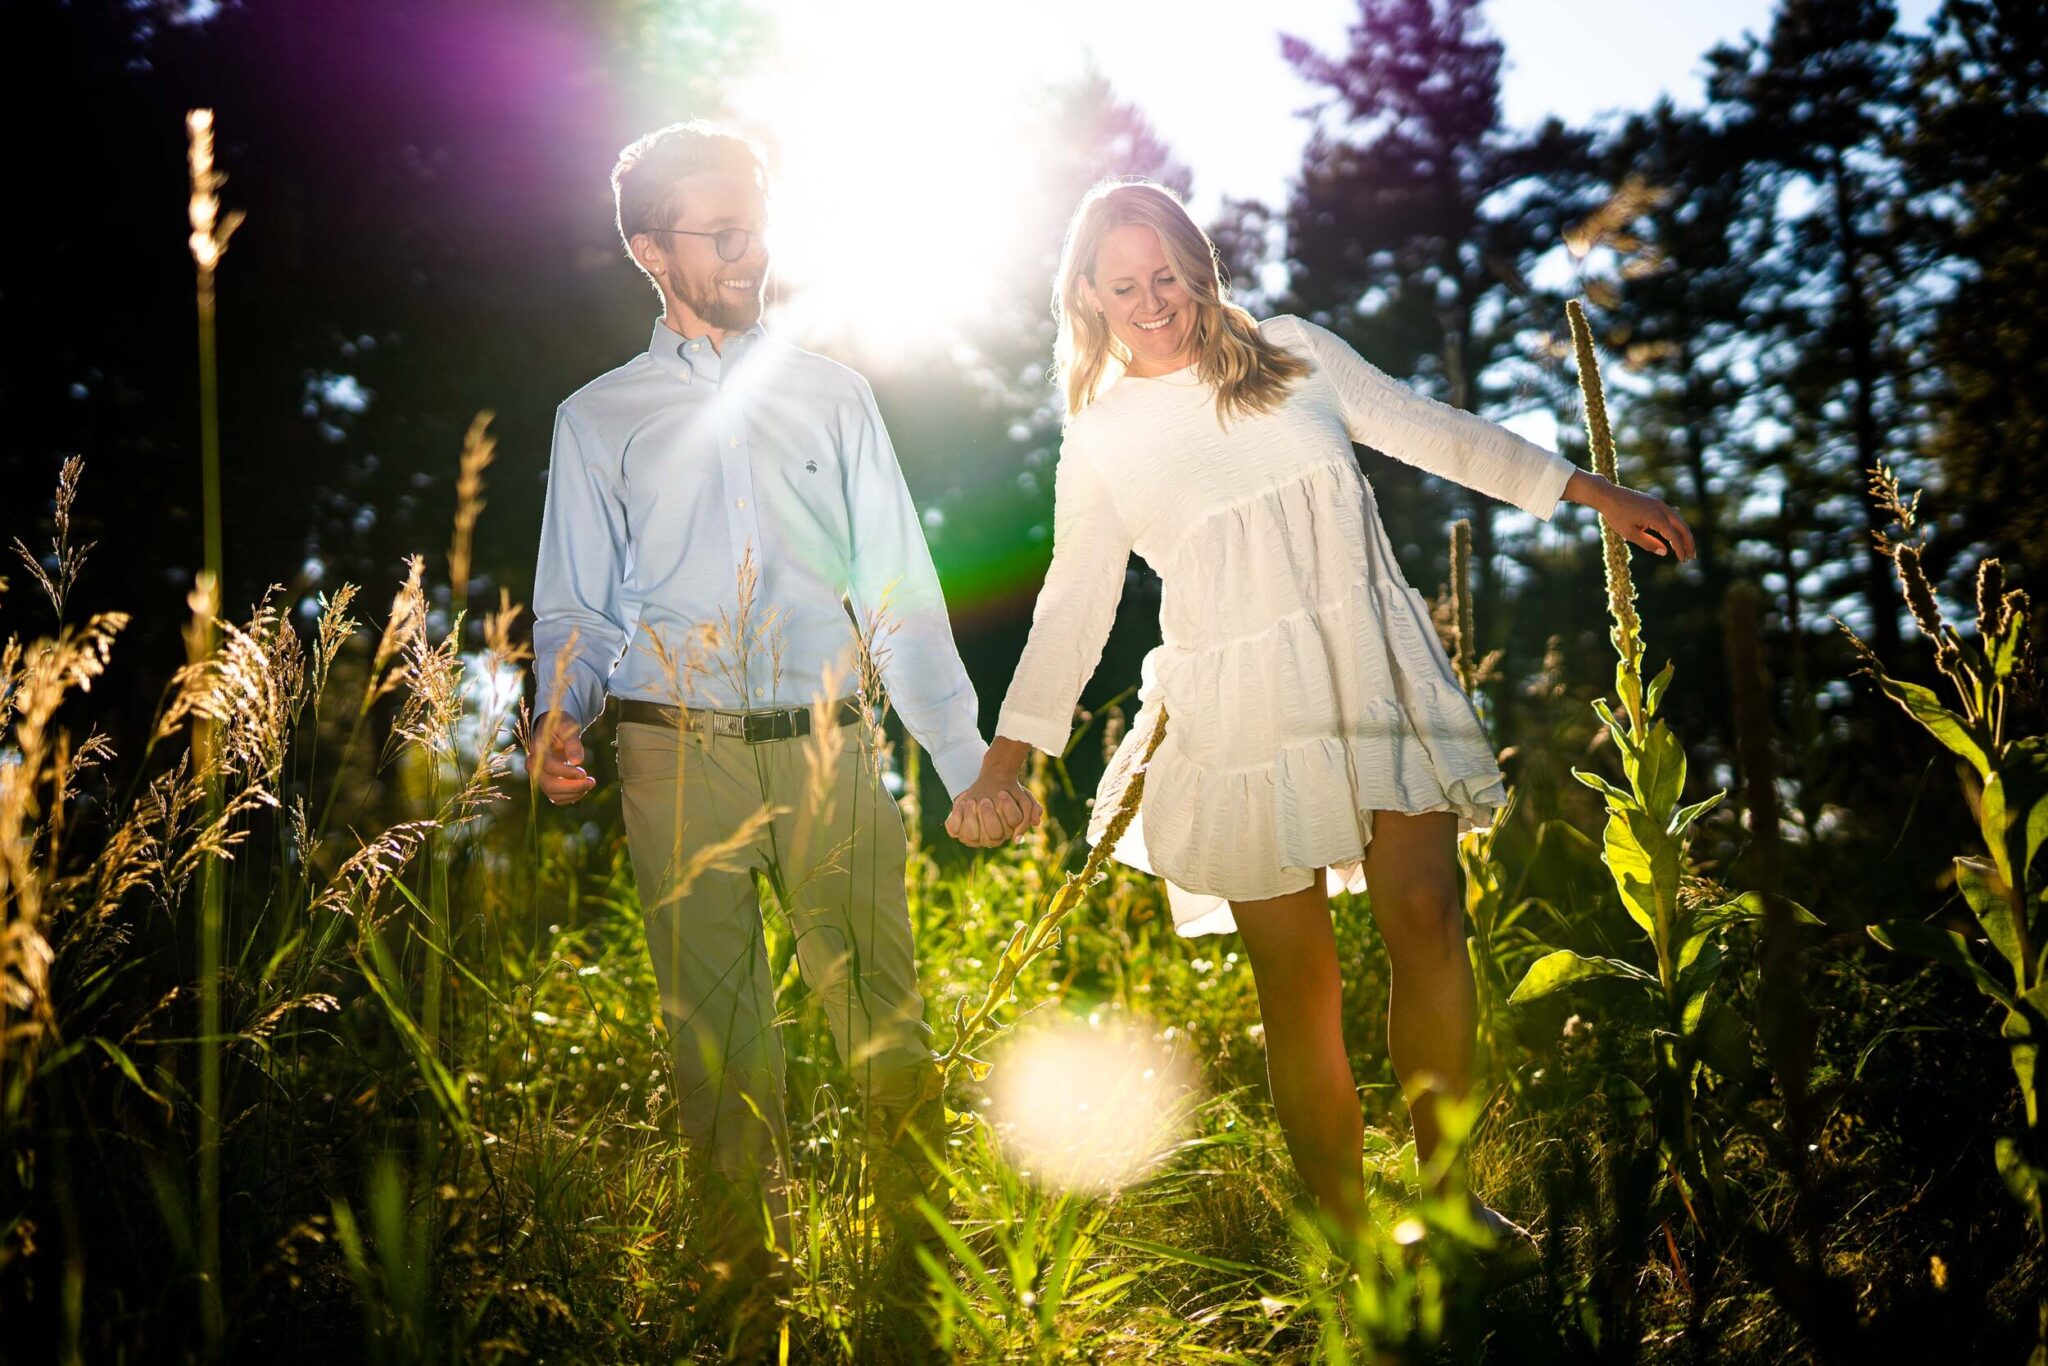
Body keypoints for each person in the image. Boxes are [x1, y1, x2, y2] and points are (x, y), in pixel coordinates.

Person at [945, 178, 1695, 1240]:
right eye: (1124, 285)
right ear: (1088, 297)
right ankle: (1349, 1245)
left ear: (1199, 270)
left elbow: (1433, 431)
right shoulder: (1102, 437)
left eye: (1167, 275)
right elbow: (1073, 604)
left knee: (1428, 918)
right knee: (1299, 988)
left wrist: (1592, 490)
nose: (1151, 301)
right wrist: (1006, 760)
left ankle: (1451, 1209)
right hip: (1235, 711)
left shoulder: (1291, 353)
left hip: (1370, 667)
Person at [527, 121, 990, 1256]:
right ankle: (746, 1282)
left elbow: (896, 587)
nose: (752, 254)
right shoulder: (596, 418)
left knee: (881, 1013)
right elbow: (579, 607)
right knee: (718, 1039)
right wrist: (558, 713)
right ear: (651, 250)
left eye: (759, 229)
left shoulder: (834, 396)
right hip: (672, 751)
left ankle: (916, 1266)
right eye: (722, 234)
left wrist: (964, 759)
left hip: (829, 743)